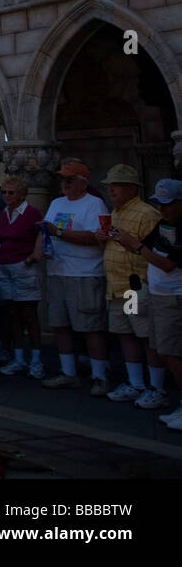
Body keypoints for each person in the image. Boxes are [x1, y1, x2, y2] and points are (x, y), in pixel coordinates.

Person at [109, 179, 182, 429]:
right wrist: (120, 240)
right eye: (159, 204)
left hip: (173, 297)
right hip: (156, 293)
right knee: (163, 350)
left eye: (168, 204)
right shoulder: (163, 224)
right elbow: (148, 248)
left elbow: (167, 263)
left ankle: (165, 394)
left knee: (172, 353)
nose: (163, 210)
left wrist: (135, 245)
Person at [96, 165, 167, 407]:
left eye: (116, 185)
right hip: (116, 285)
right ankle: (136, 383)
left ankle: (157, 388)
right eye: (109, 185)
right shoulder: (114, 213)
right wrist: (101, 240)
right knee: (125, 335)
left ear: (131, 188)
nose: (110, 189)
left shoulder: (147, 214)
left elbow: (158, 251)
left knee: (146, 338)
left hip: (136, 284)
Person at [38, 159, 111, 395]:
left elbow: (96, 237)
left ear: (82, 182)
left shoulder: (95, 204)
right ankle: (69, 374)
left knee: (91, 327)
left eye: (69, 180)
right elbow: (46, 231)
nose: (64, 184)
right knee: (60, 325)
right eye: (62, 179)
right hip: (57, 271)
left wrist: (59, 232)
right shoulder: (57, 203)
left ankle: (100, 376)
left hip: (84, 273)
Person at [0, 177, 46, 379]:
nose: (7, 196)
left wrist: (35, 255)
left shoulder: (32, 213)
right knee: (12, 314)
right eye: (4, 192)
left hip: (24, 266)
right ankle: (18, 358)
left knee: (29, 314)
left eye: (11, 192)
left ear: (22, 194)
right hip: (5, 265)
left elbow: (41, 235)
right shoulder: (3, 213)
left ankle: (36, 359)